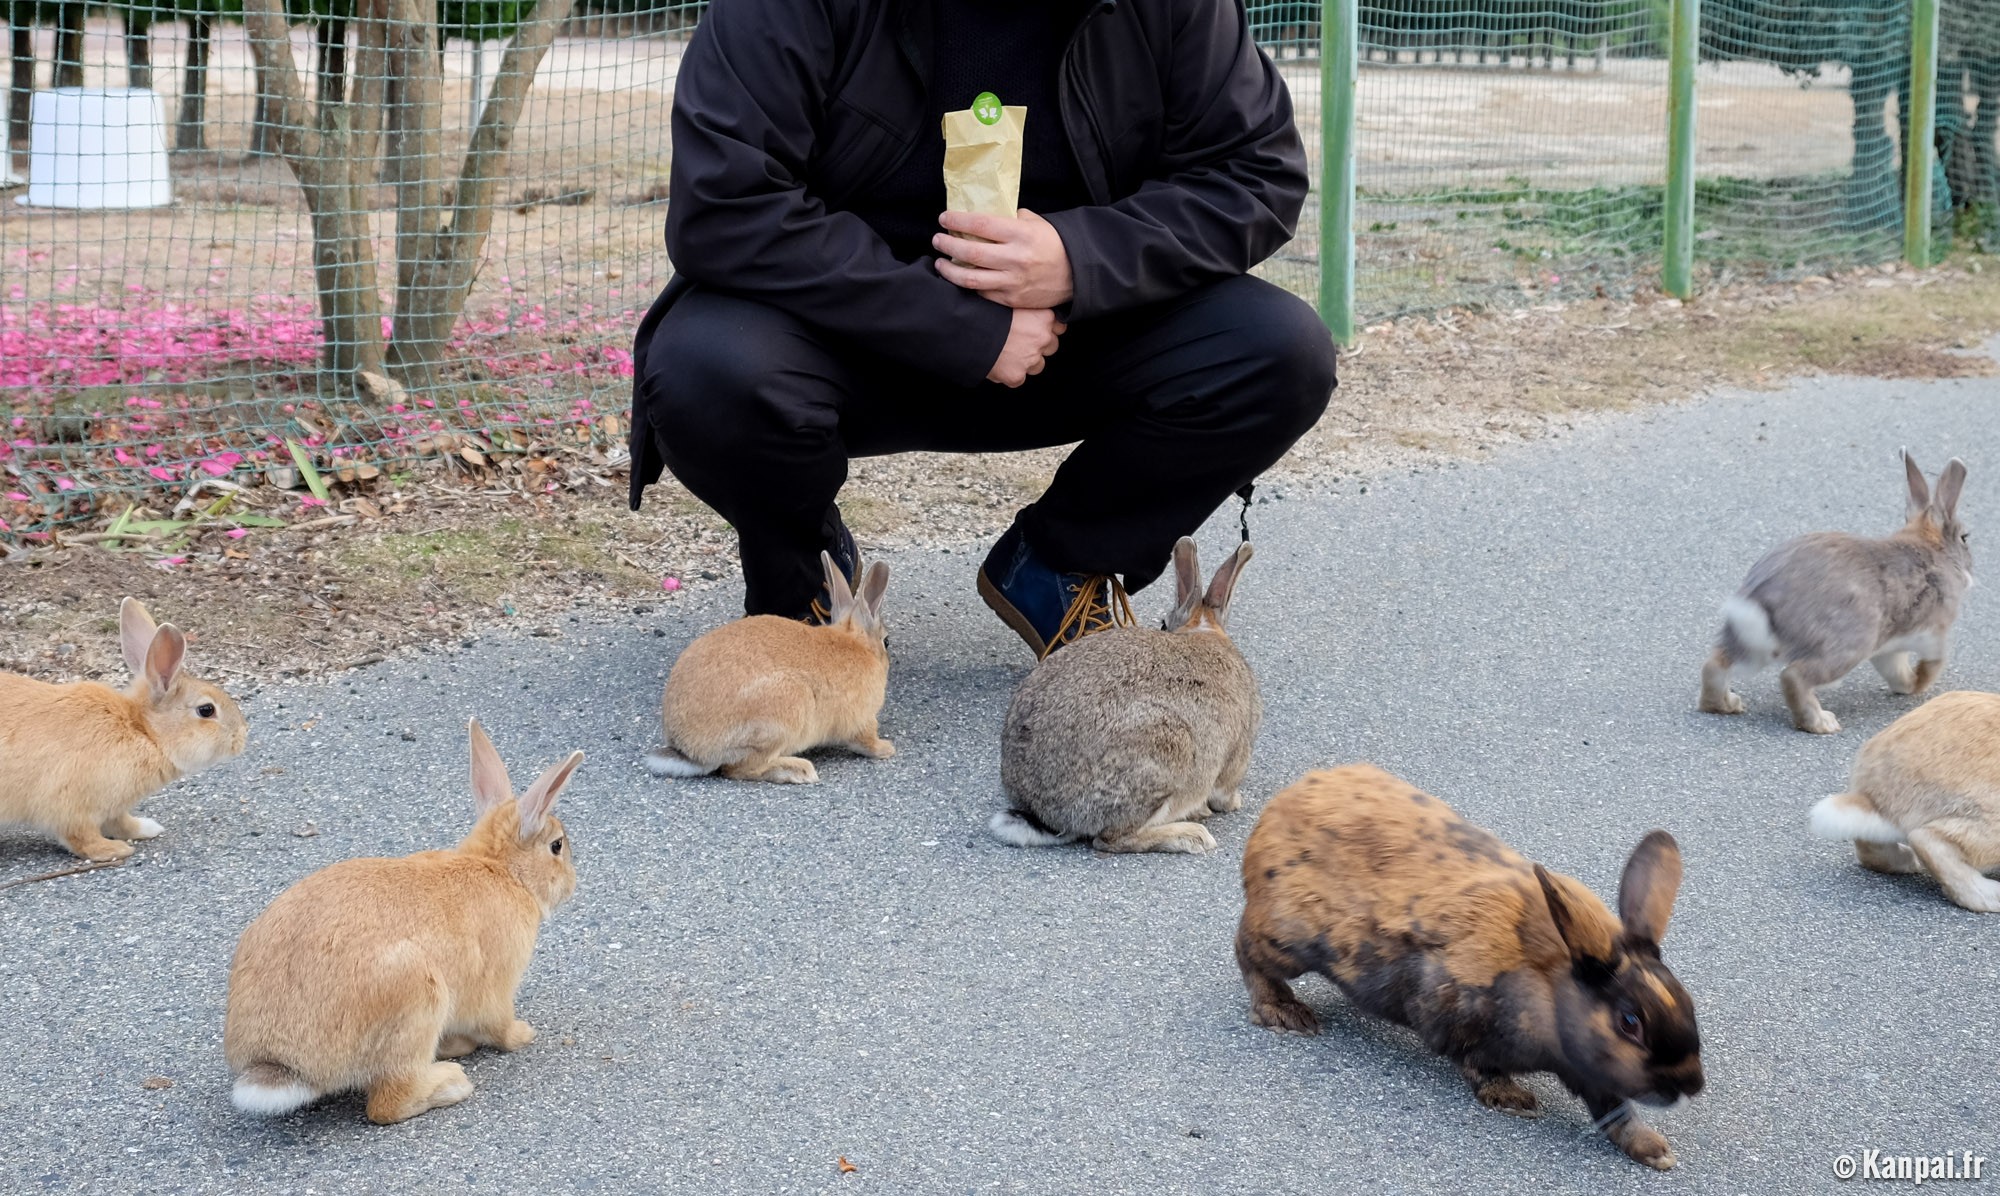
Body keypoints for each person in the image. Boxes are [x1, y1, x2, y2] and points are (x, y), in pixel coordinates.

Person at [627, 0, 1338, 657]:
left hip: (1071, 332)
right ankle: (808, 585)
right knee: (706, 367)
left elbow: (1256, 176)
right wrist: (958, 325)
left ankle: (1061, 561)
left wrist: (1079, 259)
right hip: (841, 334)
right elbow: (726, 205)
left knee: (1279, 351)